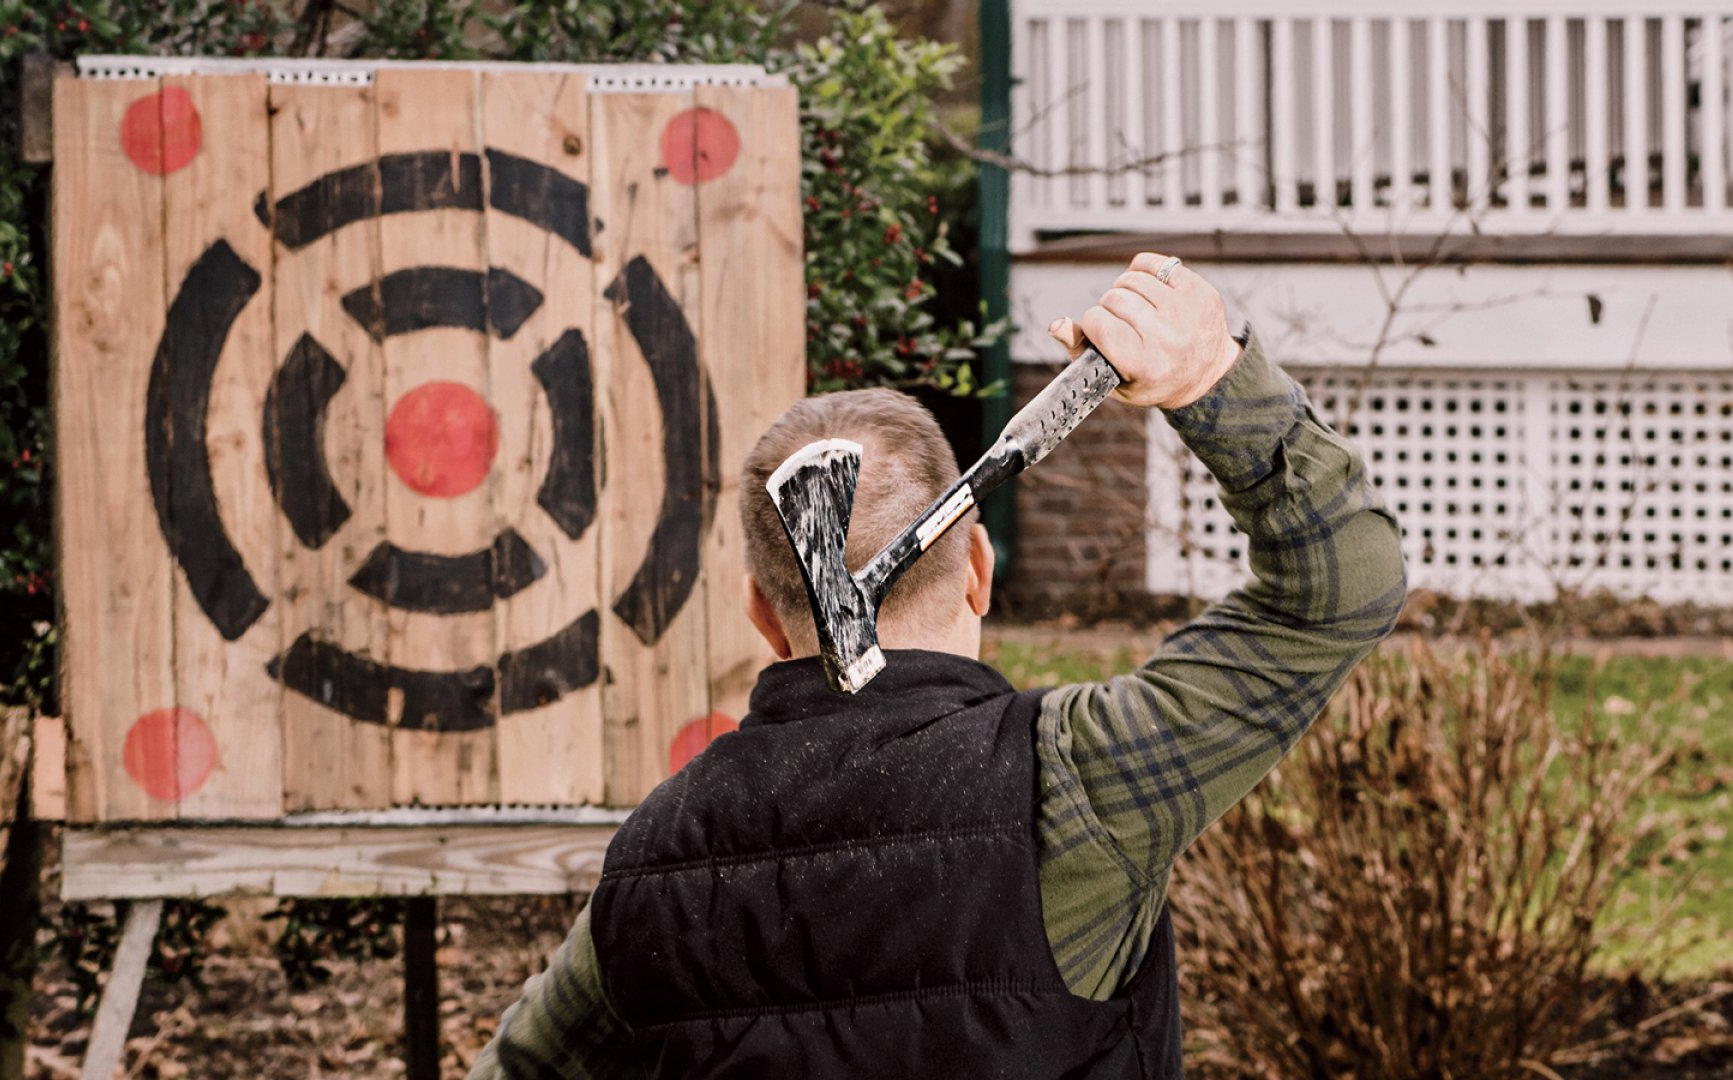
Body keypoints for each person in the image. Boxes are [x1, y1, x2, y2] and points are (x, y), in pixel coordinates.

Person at [470, 253, 1408, 1078]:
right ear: (981, 573)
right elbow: (1341, 586)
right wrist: (1215, 376)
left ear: (760, 614)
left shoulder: (653, 868)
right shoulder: (1077, 785)